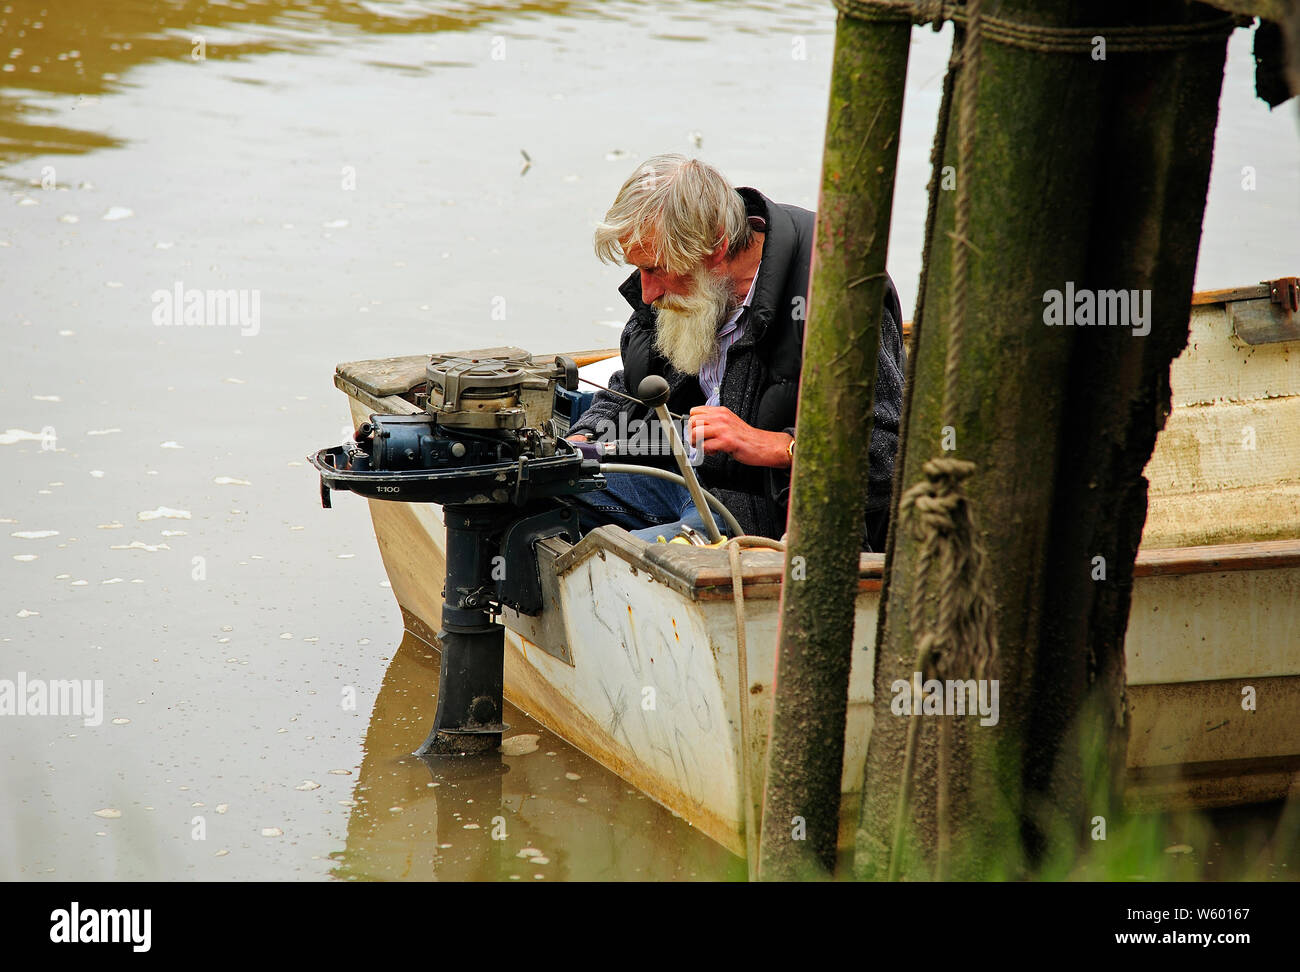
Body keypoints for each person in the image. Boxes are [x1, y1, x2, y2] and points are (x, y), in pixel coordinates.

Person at [565, 154, 906, 550]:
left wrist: (775, 445)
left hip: (768, 512)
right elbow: (629, 382)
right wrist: (584, 437)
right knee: (541, 495)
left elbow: (889, 456)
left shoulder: (838, 293)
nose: (647, 293)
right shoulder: (691, 283)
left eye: (655, 269)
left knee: (625, 556)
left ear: (716, 248)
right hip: (680, 479)